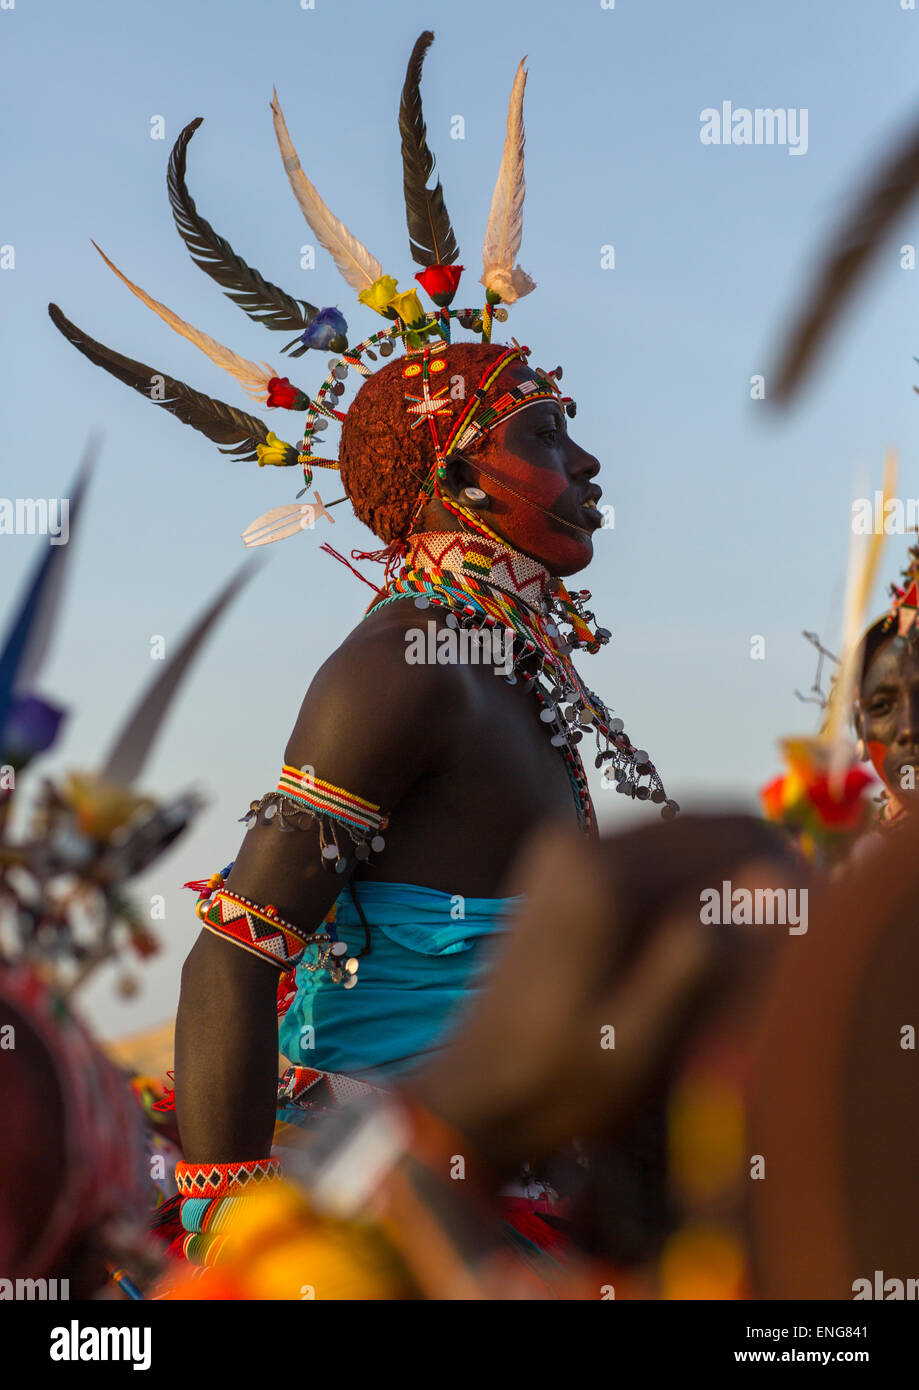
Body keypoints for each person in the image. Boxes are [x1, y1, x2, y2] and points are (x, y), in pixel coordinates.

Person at [48, 33, 675, 1259]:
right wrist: (236, 1237)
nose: (590, 467)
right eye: (550, 435)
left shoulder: (516, 669)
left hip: (529, 1197)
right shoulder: (404, 665)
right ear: (452, 475)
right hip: (402, 1220)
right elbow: (232, 954)